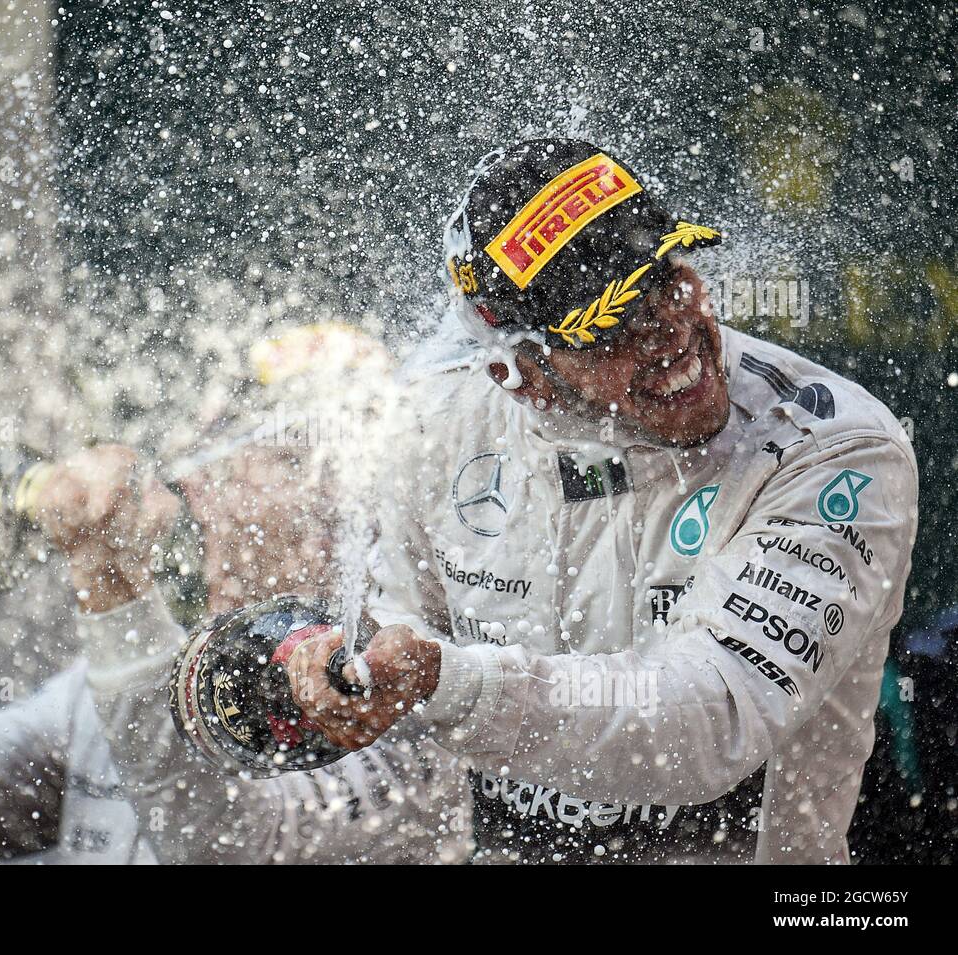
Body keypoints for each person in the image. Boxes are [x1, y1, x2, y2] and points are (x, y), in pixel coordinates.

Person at [287, 139, 919, 863]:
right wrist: (320, 667)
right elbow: (389, 650)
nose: (671, 330)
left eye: (668, 278)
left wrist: (447, 681)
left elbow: (706, 722)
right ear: (521, 374)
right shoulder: (436, 430)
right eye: (610, 325)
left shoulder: (834, 446)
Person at [0, 326, 469, 864]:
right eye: (295, 455)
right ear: (207, 475)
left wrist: (112, 584)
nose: (335, 492)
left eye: (362, 465)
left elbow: (226, 849)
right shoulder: (100, 694)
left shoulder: (414, 705)